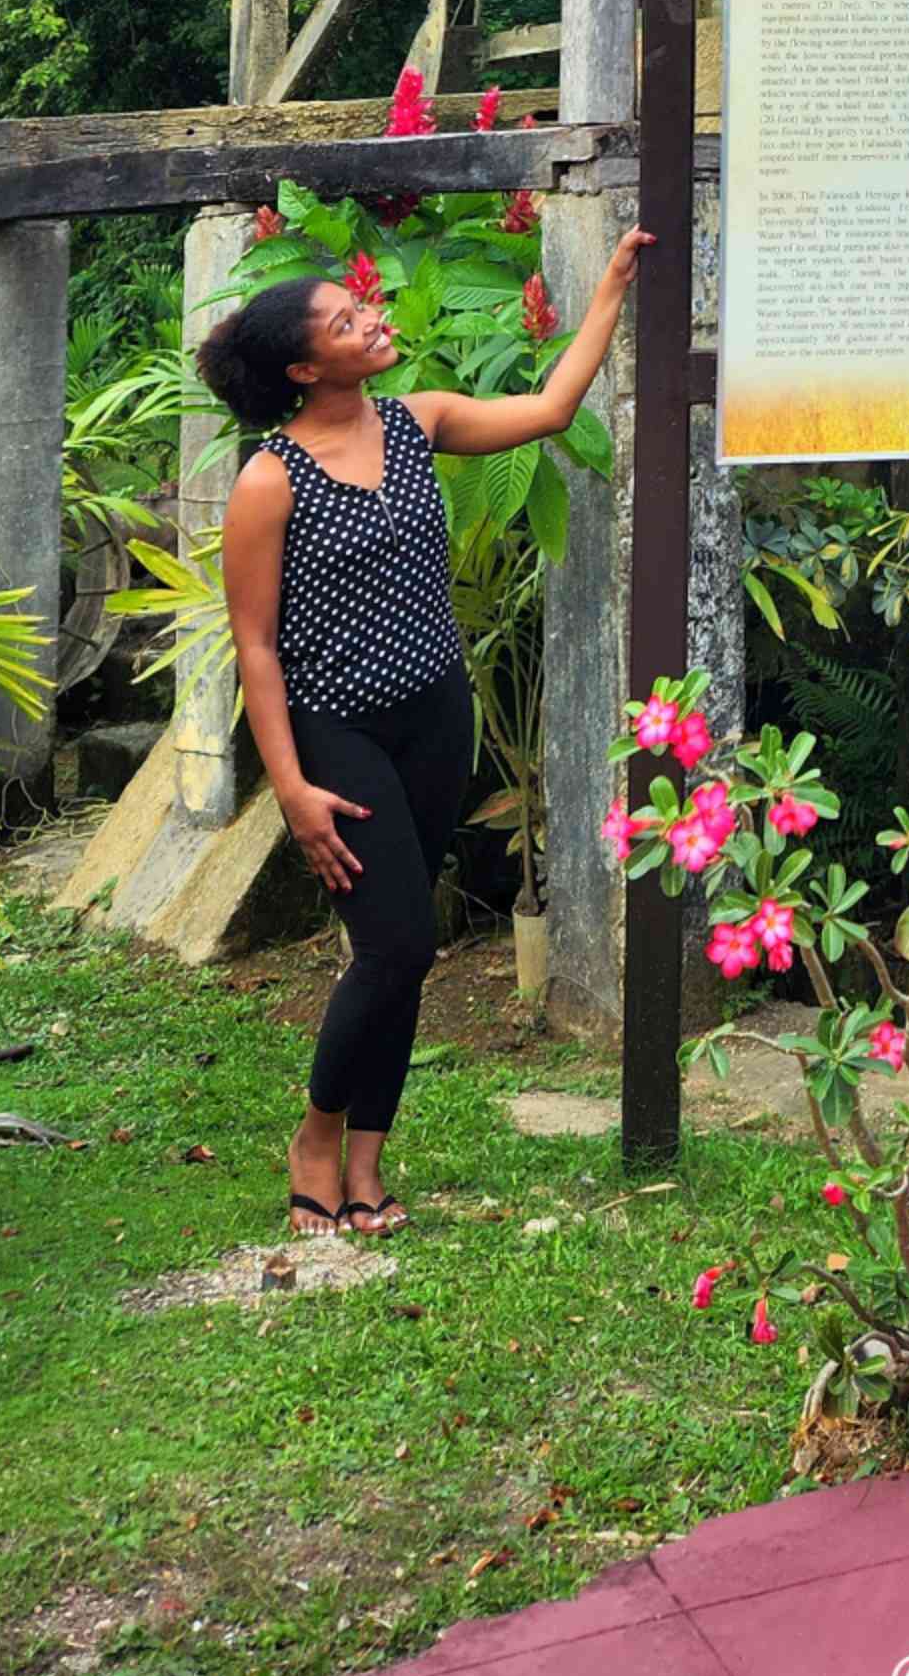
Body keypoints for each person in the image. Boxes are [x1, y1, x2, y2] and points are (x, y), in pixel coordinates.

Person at [203, 231, 644, 1237]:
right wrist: (291, 787)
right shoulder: (270, 479)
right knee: (395, 942)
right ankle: (316, 1137)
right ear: (305, 370)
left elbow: (550, 409)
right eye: (347, 321)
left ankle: (367, 1161)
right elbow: (256, 647)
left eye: (362, 308)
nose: (373, 319)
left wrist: (612, 286)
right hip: (338, 734)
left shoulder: (417, 421)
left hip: (436, 716)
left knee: (406, 953)